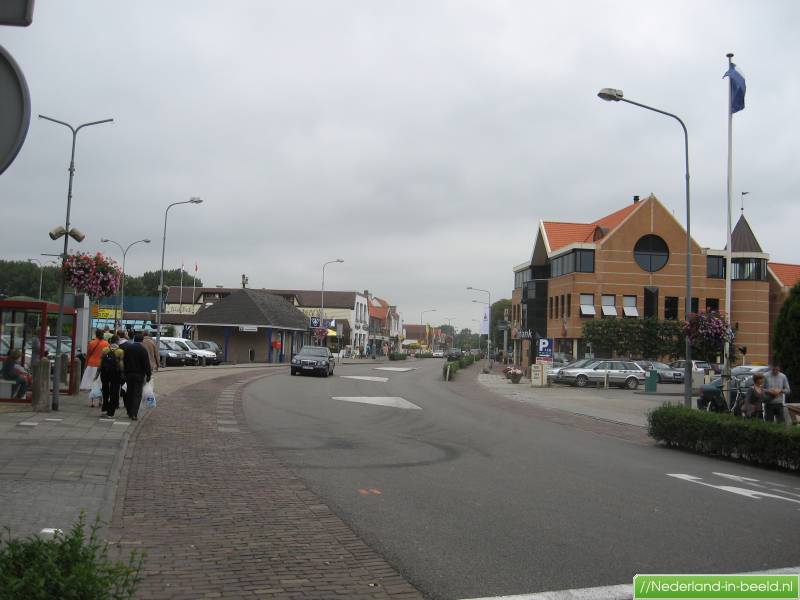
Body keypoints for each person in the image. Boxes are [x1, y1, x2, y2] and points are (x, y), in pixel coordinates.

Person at [122, 333, 152, 421]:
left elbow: (124, 361)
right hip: (139, 375)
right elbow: (146, 364)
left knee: (129, 393)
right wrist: (148, 374)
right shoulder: (143, 350)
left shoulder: (128, 348)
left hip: (129, 374)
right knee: (137, 394)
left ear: (134, 339)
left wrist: (124, 372)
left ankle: (129, 411)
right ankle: (134, 414)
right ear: (142, 340)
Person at [96, 335, 124, 417]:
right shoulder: (120, 351)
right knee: (114, 391)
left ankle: (105, 407)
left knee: (105, 390)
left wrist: (97, 373)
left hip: (105, 372)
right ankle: (111, 412)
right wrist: (122, 373)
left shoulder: (105, 350)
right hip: (115, 373)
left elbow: (100, 363)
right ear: (117, 342)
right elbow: (121, 364)